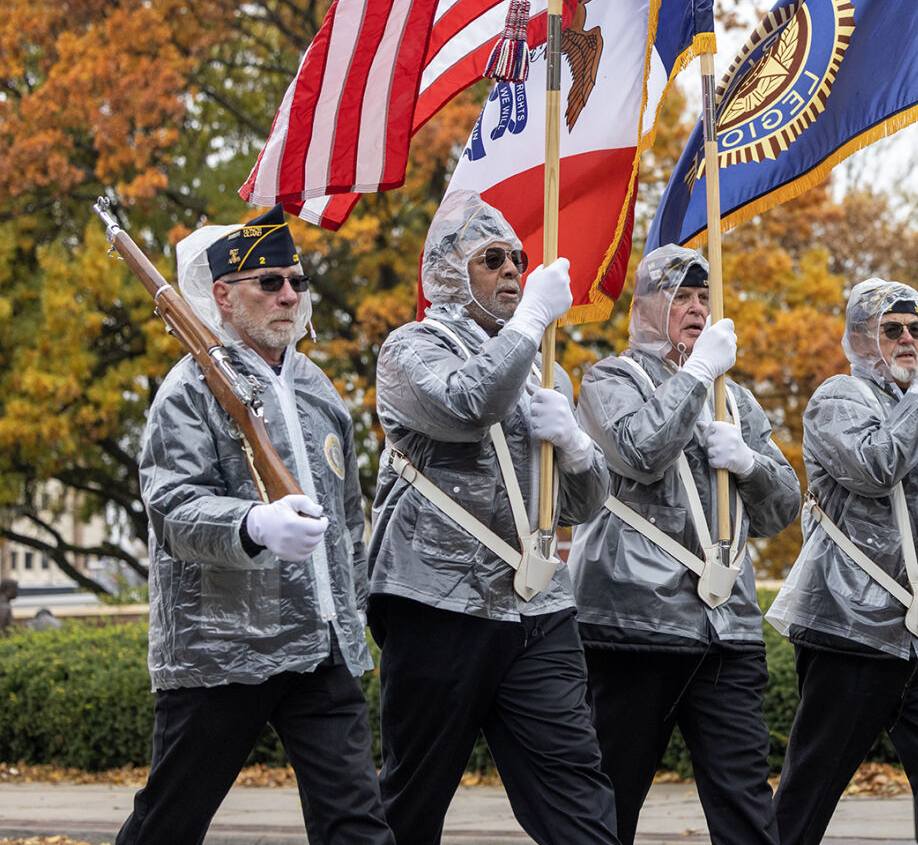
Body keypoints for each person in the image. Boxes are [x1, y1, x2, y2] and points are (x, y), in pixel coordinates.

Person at [117, 206, 392, 845]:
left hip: (319, 645)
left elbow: (349, 522)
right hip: (222, 651)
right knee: (169, 823)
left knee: (357, 823)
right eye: (269, 282)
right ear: (223, 295)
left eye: (296, 280)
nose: (289, 295)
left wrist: (351, 621)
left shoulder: (321, 390)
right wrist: (252, 525)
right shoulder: (188, 390)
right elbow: (173, 508)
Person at [369, 190, 617, 845]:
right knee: (412, 802)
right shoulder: (410, 348)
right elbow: (464, 405)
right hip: (438, 605)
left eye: (519, 259)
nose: (515, 270)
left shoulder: (546, 373)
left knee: (578, 795)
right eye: (493, 259)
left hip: (538, 610)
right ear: (451, 273)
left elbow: (585, 507)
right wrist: (531, 320)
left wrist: (577, 447)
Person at [572, 244, 801, 845]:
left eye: (705, 297)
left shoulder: (737, 397)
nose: (697, 309)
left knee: (747, 803)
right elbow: (639, 452)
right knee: (609, 799)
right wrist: (697, 376)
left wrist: (750, 462)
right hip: (633, 620)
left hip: (727, 627)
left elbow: (782, 510)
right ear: (646, 307)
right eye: (681, 298)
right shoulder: (610, 378)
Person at [767, 278, 918, 845]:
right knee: (812, 787)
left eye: (915, 329)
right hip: (852, 626)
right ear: (857, 337)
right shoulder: (837, 398)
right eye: (890, 329)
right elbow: (875, 466)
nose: (907, 340)